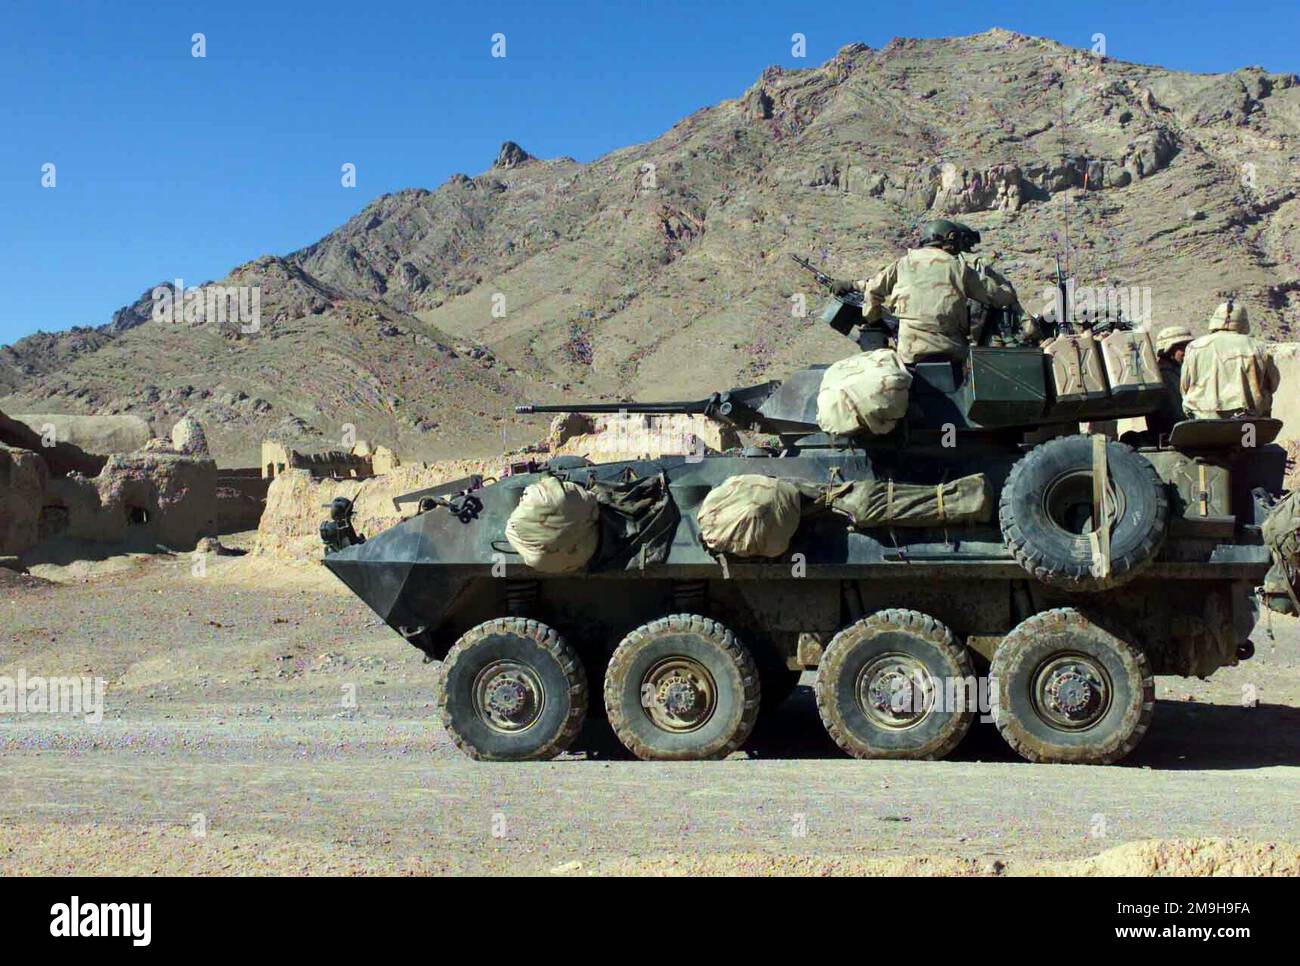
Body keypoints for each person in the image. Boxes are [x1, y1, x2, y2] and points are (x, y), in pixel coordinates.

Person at [830, 219, 1019, 364]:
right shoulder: (959, 267)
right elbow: (1001, 297)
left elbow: (872, 290)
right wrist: (1007, 288)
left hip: (909, 352)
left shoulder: (903, 263)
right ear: (951, 238)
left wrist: (875, 320)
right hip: (952, 350)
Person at [1180, 301, 1279, 419]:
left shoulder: (1194, 347)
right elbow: (1273, 384)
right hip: (1248, 418)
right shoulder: (1257, 347)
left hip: (1202, 417)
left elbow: (1184, 387)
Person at [1147, 325, 1193, 437]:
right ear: (1169, 349)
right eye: (1182, 348)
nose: (1187, 352)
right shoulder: (1164, 374)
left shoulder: (1175, 370)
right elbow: (1177, 414)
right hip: (1173, 434)